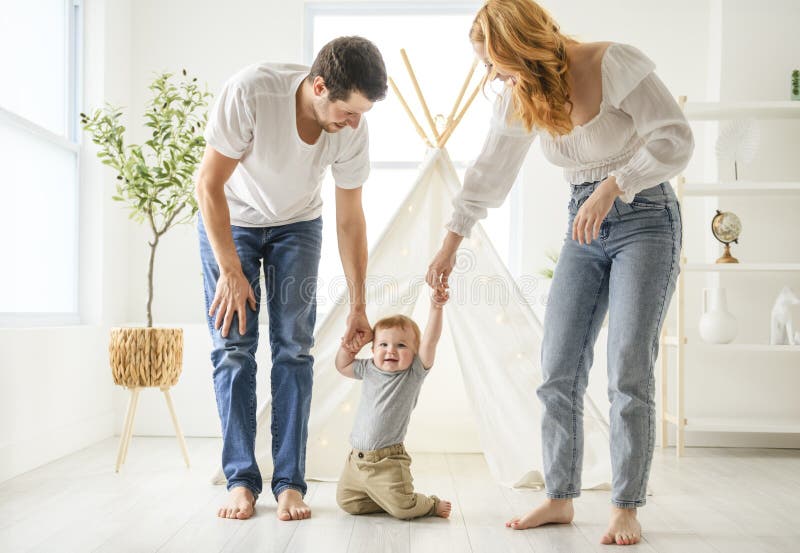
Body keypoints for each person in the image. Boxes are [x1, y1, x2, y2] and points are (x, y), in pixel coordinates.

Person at [426, 0, 693, 546]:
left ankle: (626, 504)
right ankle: (560, 495)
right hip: (584, 227)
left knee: (628, 366)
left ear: (519, 44)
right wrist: (448, 246)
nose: (493, 76)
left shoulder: (613, 63)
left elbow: (674, 137)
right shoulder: (520, 95)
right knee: (557, 368)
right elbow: (488, 173)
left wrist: (616, 183)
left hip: (645, 220)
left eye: (495, 62)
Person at [195, 36, 387, 522]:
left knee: (294, 350)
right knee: (234, 345)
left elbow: (350, 219)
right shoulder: (251, 93)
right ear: (319, 86)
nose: (353, 123)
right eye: (348, 111)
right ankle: (240, 479)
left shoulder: (350, 129)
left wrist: (359, 304)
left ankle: (289, 485)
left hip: (299, 224)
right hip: (232, 218)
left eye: (362, 114)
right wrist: (231, 271)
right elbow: (208, 184)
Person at [333, 294, 453, 520]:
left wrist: (436, 307)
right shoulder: (368, 369)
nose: (391, 351)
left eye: (401, 345)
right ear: (372, 349)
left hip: (387, 462)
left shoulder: (412, 374)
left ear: (415, 352)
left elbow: (430, 341)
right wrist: (348, 347)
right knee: (347, 502)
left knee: (403, 509)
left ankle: (429, 505)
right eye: (383, 344)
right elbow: (342, 365)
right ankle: (383, 497)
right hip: (356, 461)